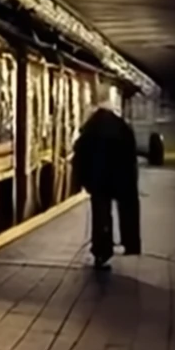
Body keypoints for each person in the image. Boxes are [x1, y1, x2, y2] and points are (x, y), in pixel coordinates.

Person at [72, 90, 141, 269]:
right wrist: (131, 179)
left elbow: (79, 154)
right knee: (127, 210)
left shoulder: (90, 129)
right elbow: (131, 156)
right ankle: (130, 243)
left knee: (101, 214)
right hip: (120, 178)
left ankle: (102, 251)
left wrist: (81, 180)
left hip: (98, 179)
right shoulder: (123, 127)